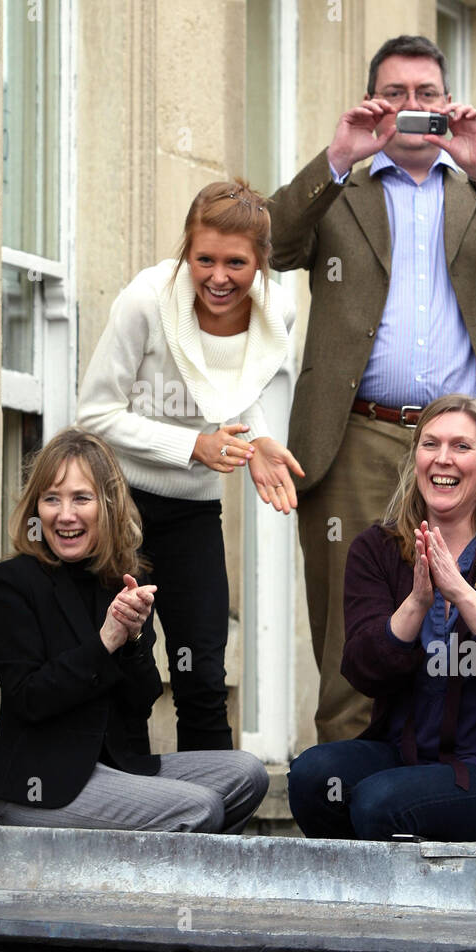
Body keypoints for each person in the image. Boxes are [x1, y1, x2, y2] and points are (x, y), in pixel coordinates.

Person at [268, 34, 476, 745]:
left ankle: (454, 778)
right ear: (375, 103)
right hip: (358, 435)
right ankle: (346, 793)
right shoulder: (344, 188)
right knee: (355, 630)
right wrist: (339, 157)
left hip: (460, 445)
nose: (413, 107)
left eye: (427, 95)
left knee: (473, 613)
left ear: (447, 104)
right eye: (396, 93)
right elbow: (274, 243)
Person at [287, 395, 476, 844]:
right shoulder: (377, 550)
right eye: (430, 444)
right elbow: (361, 668)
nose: (443, 458)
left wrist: (461, 593)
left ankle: (410, 900)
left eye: (462, 446)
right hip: (408, 759)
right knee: (313, 776)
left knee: (380, 803)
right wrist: (417, 603)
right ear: (416, 457)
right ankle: (364, 898)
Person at [76, 182, 303, 751]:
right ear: (186, 250)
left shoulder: (277, 314)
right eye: (204, 259)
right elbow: (94, 413)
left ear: (261, 263)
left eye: (236, 262)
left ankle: (217, 825)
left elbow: (232, 387)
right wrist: (192, 447)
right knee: (128, 669)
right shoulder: (145, 301)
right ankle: (124, 805)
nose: (218, 277)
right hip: (120, 507)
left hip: (195, 515)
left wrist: (260, 440)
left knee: (202, 674)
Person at [0, 428, 269, 833]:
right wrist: (106, 641)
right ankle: (178, 894)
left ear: (109, 506)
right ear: (36, 509)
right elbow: (30, 698)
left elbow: (140, 702)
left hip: (120, 772)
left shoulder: (123, 581)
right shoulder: (11, 583)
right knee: (198, 808)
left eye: (81, 498)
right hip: (44, 786)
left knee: (247, 773)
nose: (65, 515)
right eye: (51, 499)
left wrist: (133, 639)